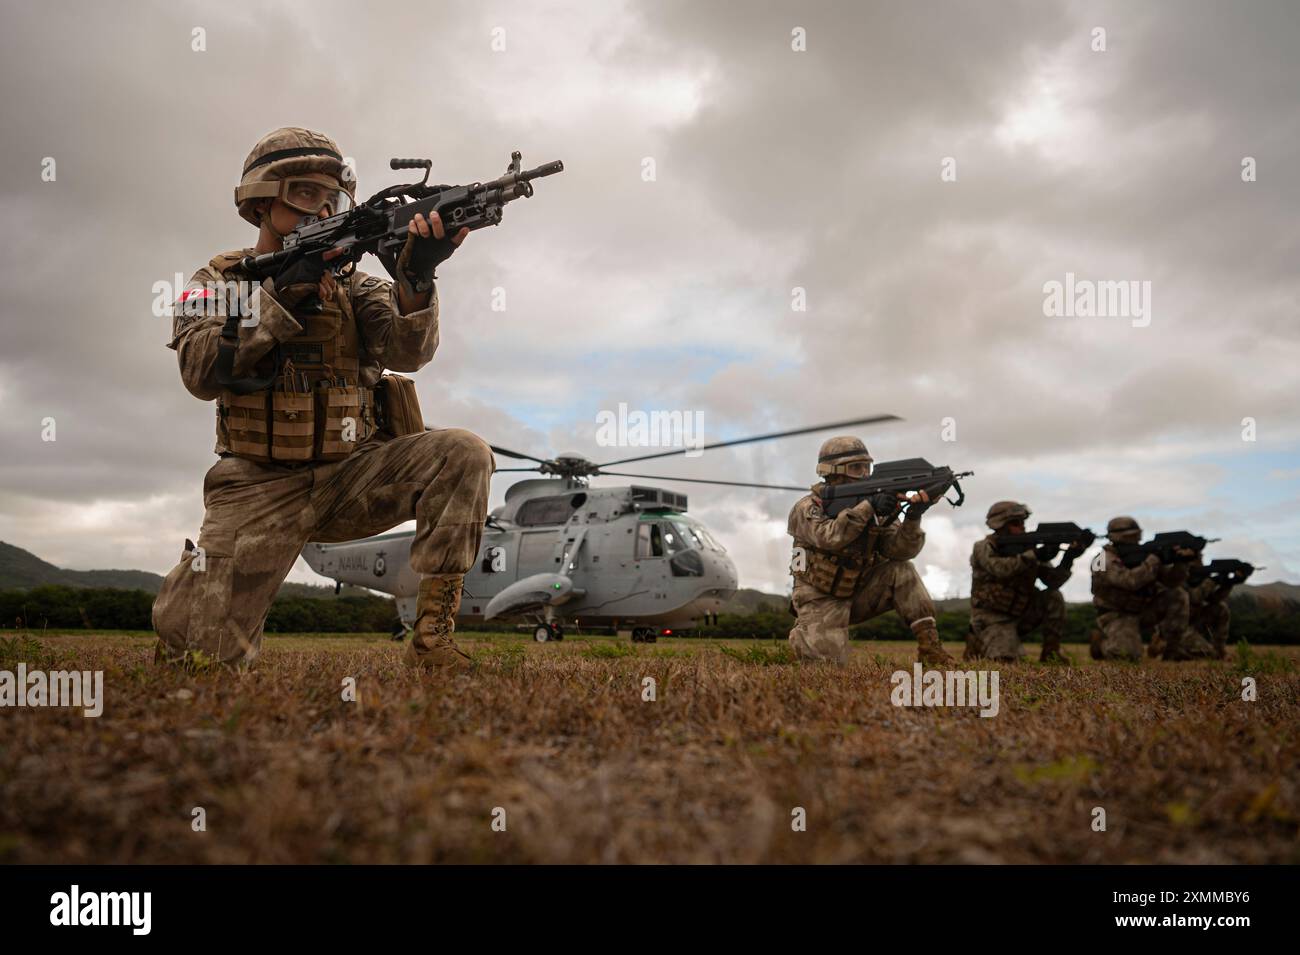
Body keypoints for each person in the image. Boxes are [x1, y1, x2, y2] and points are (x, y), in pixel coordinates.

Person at [152, 127, 493, 673]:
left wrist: (417, 276)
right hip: (258, 487)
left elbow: (409, 353)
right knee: (197, 659)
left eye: (333, 198)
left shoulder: (354, 285)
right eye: (305, 193)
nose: (322, 208)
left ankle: (433, 641)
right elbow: (200, 371)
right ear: (263, 200)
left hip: (352, 477)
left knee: (462, 452)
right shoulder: (220, 279)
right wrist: (281, 296)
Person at [787, 436, 954, 666]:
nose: (865, 474)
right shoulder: (807, 507)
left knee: (902, 570)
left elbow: (900, 551)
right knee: (825, 669)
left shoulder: (875, 506)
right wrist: (868, 507)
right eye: (856, 468)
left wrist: (913, 516)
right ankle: (805, 630)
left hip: (859, 590)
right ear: (832, 472)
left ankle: (931, 650)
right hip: (820, 598)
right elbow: (830, 537)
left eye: (867, 467)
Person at [966, 501, 1082, 662]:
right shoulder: (983, 547)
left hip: (1022, 613)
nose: (1022, 527)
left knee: (1053, 596)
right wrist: (1034, 555)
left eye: (1023, 522)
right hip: (992, 618)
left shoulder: (1027, 549)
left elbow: (1052, 581)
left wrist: (1068, 558)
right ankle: (976, 644)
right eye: (1015, 523)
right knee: (1005, 661)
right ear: (1000, 525)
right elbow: (1000, 568)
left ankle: (1051, 653)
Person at [1090, 516, 1206, 661]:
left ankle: (1171, 648)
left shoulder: (1145, 557)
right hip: (1116, 614)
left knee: (1177, 595)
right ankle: (1100, 645)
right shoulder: (1100, 560)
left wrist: (1181, 562)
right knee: (1126, 655)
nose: (1136, 540)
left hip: (1144, 609)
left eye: (1137, 536)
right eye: (1131, 536)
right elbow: (1129, 581)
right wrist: (1154, 559)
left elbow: (1171, 582)